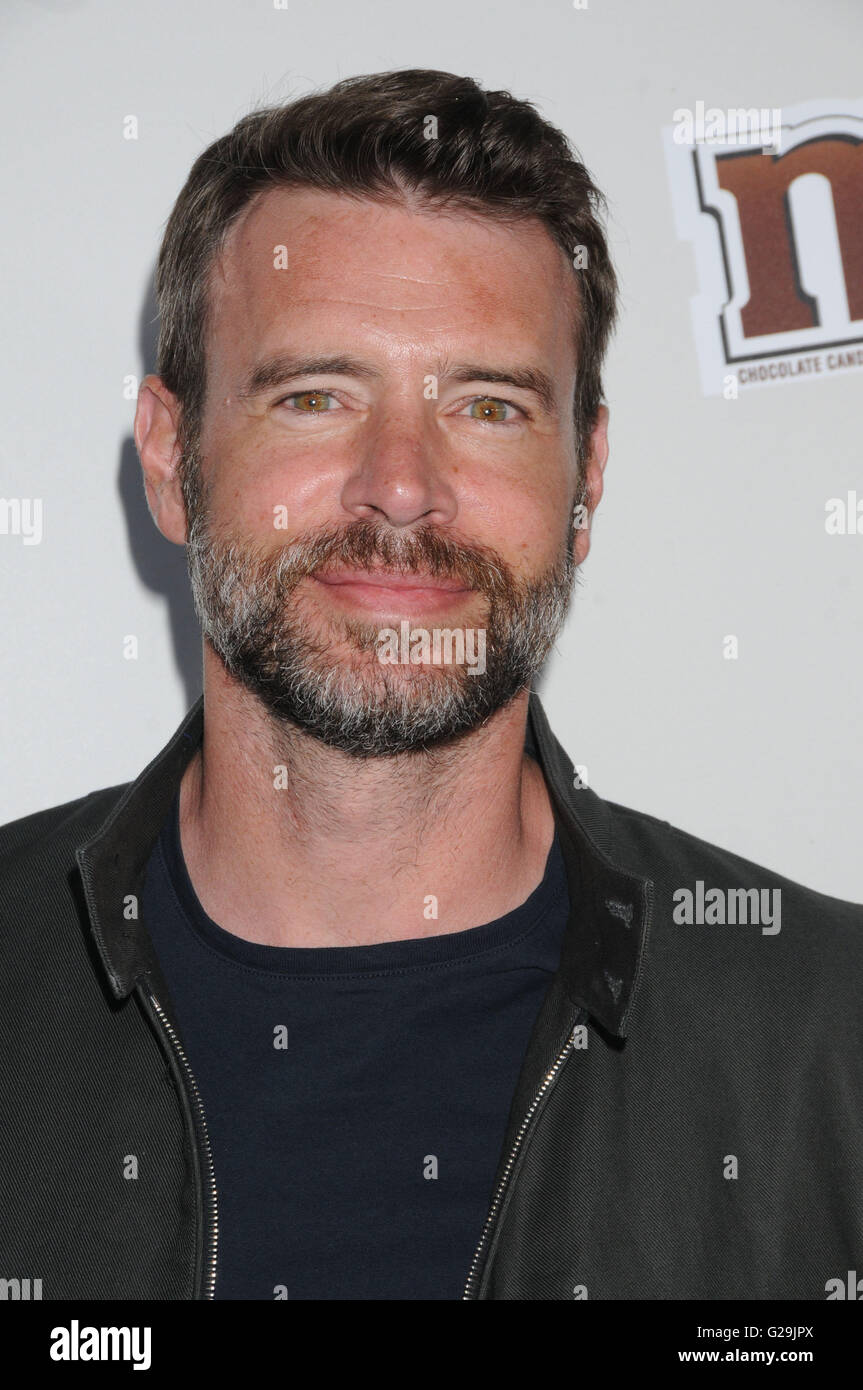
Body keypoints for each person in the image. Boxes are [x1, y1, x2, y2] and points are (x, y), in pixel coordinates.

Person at [1, 68, 860, 1303]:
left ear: (586, 476)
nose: (401, 484)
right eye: (313, 397)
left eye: (490, 405)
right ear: (169, 457)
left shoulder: (826, 1041)